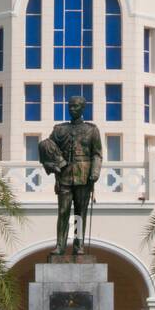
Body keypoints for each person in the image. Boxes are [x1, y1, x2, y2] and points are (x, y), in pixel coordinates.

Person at [39, 94, 102, 256]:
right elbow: (48, 148)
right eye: (70, 106)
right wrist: (51, 164)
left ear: (83, 108)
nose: (72, 109)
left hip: (83, 175)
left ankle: (78, 245)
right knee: (63, 212)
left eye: (76, 106)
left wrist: (95, 172)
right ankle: (60, 245)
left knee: (80, 213)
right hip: (64, 175)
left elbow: (97, 154)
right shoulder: (60, 129)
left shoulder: (91, 130)